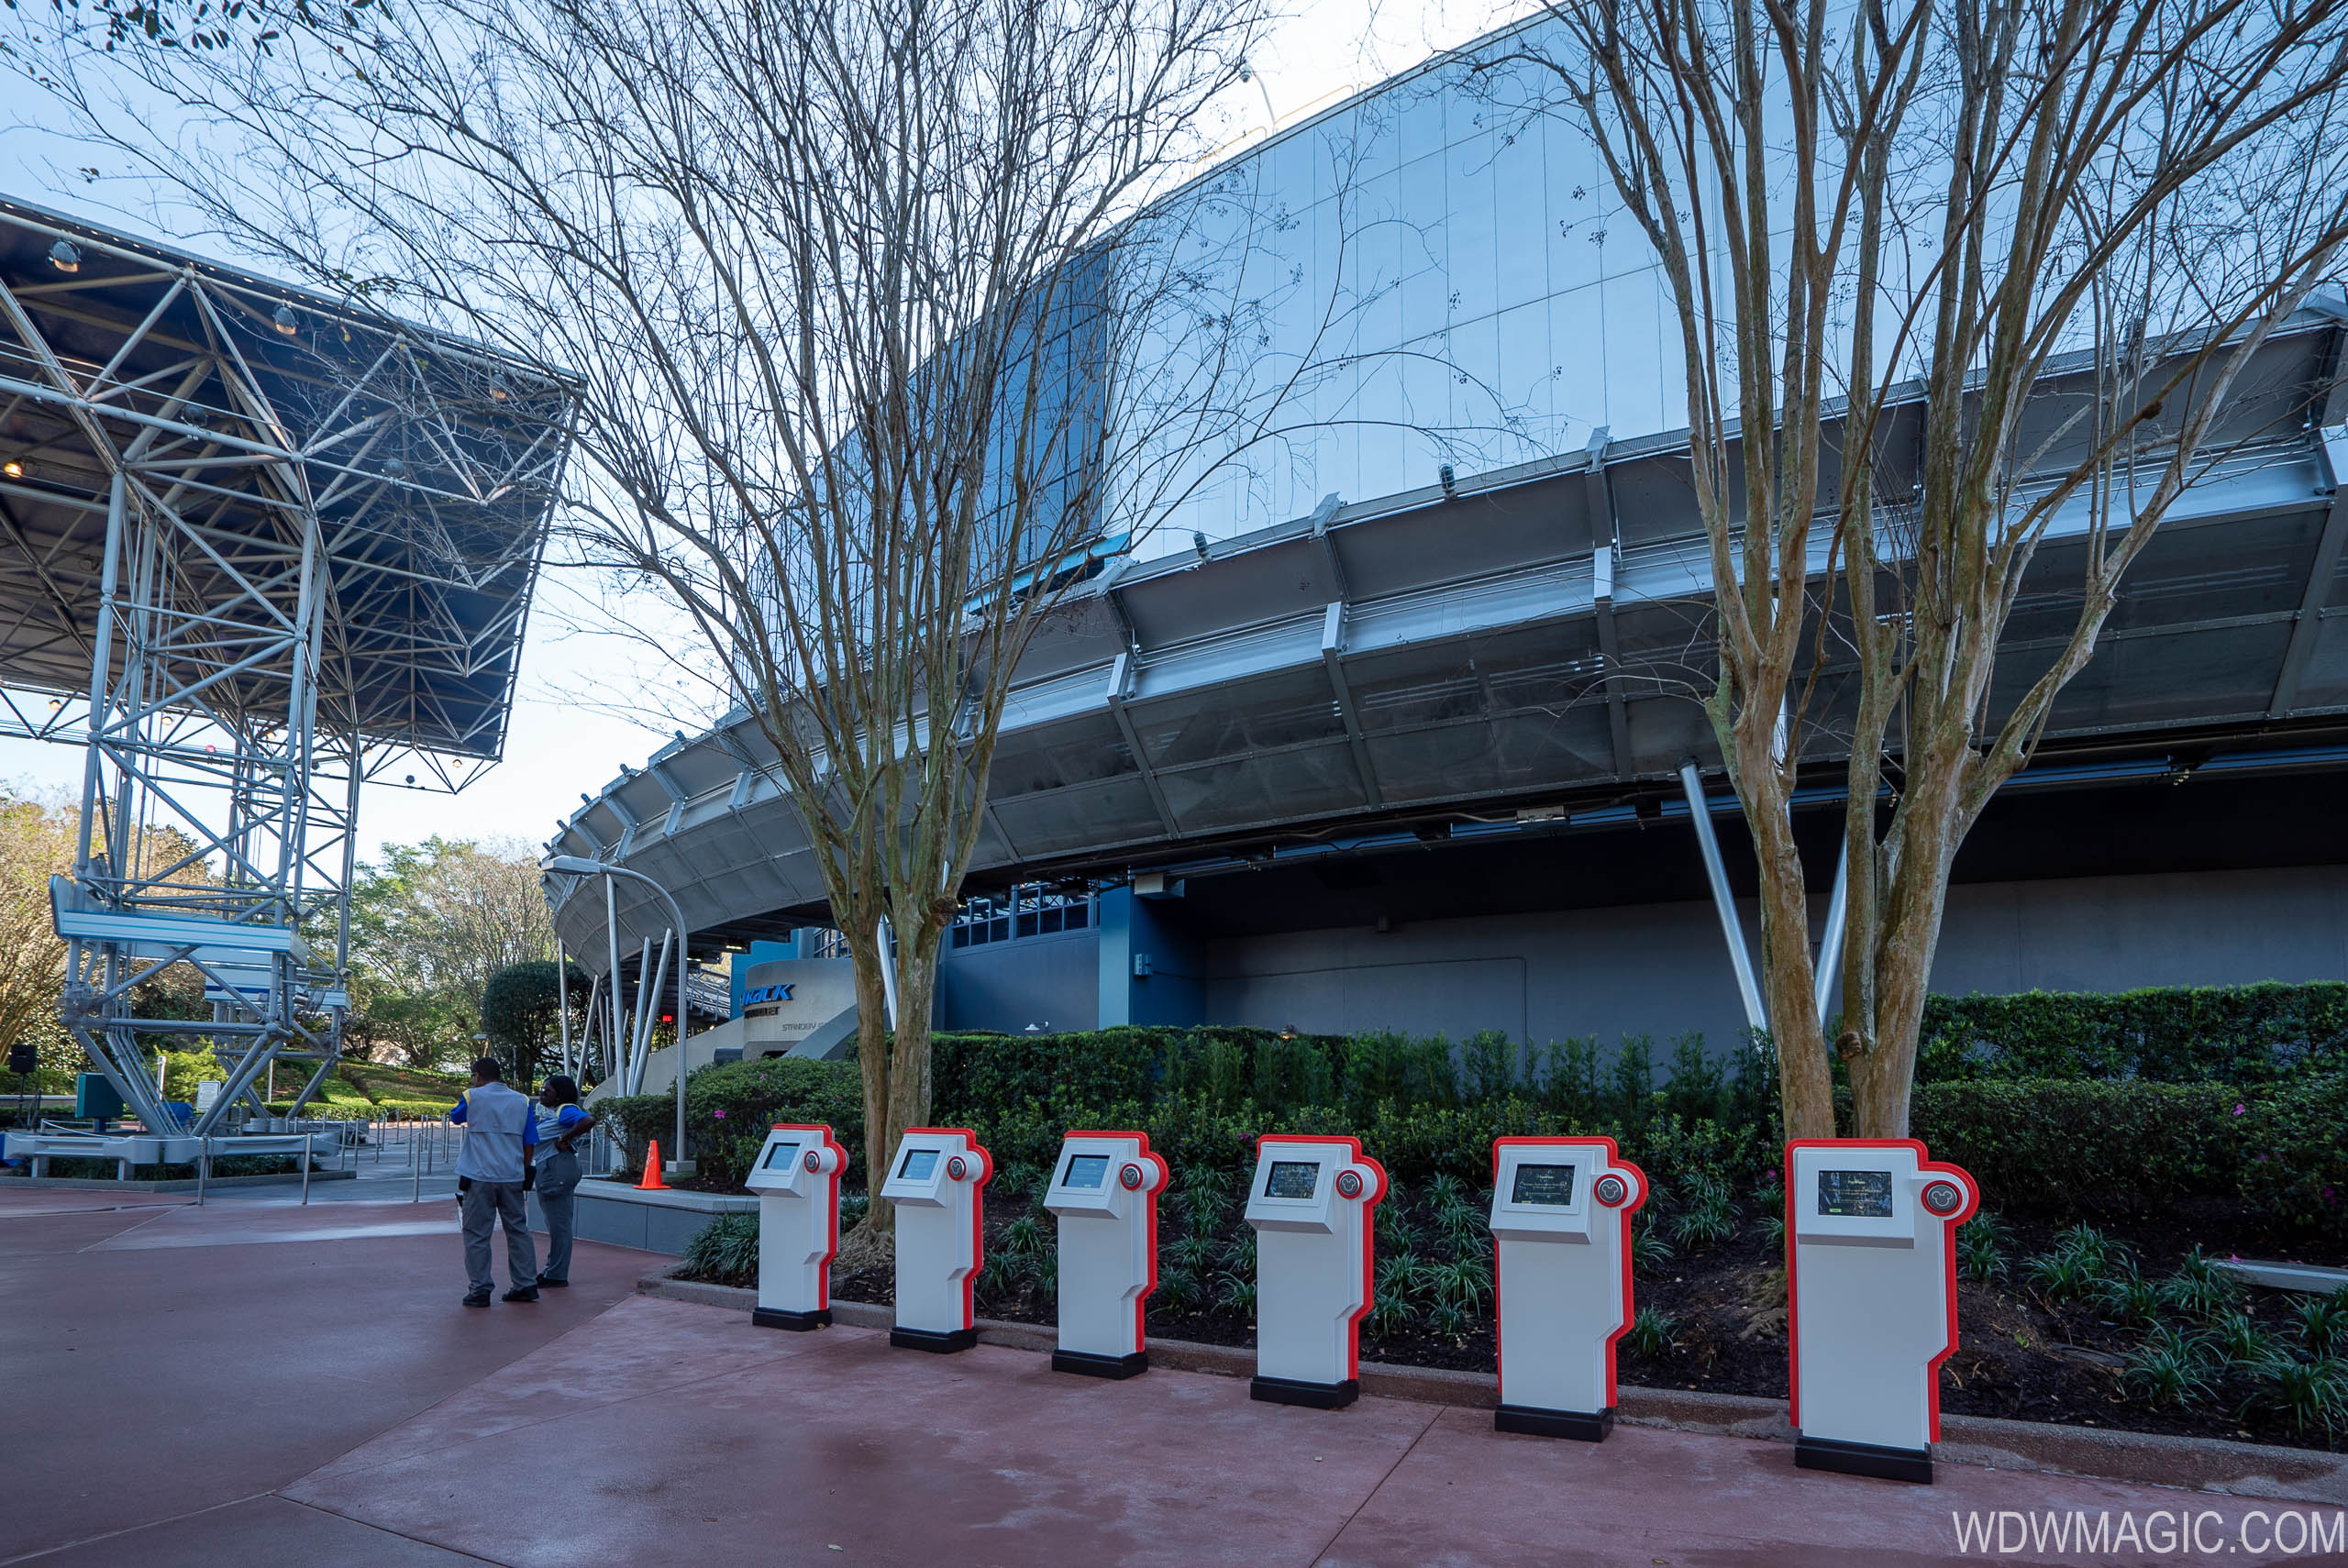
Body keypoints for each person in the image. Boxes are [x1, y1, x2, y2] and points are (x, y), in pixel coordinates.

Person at [448, 1056, 540, 1308]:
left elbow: (456, 1117)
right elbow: (529, 1141)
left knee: (477, 1233)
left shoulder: (472, 1096)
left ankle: (480, 1289)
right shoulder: (522, 1100)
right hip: (512, 1175)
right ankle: (525, 1284)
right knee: (518, 1230)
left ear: (477, 1075)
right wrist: (523, 1170)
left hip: (479, 1176)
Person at [534, 1076, 591, 1288]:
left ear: (559, 1095)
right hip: (555, 1167)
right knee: (556, 1223)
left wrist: (564, 1138)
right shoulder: (553, 1113)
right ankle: (553, 1270)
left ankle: (556, 1274)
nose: (541, 1093)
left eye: (547, 1090)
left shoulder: (565, 1109)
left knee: (559, 1225)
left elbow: (587, 1120)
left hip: (555, 1170)